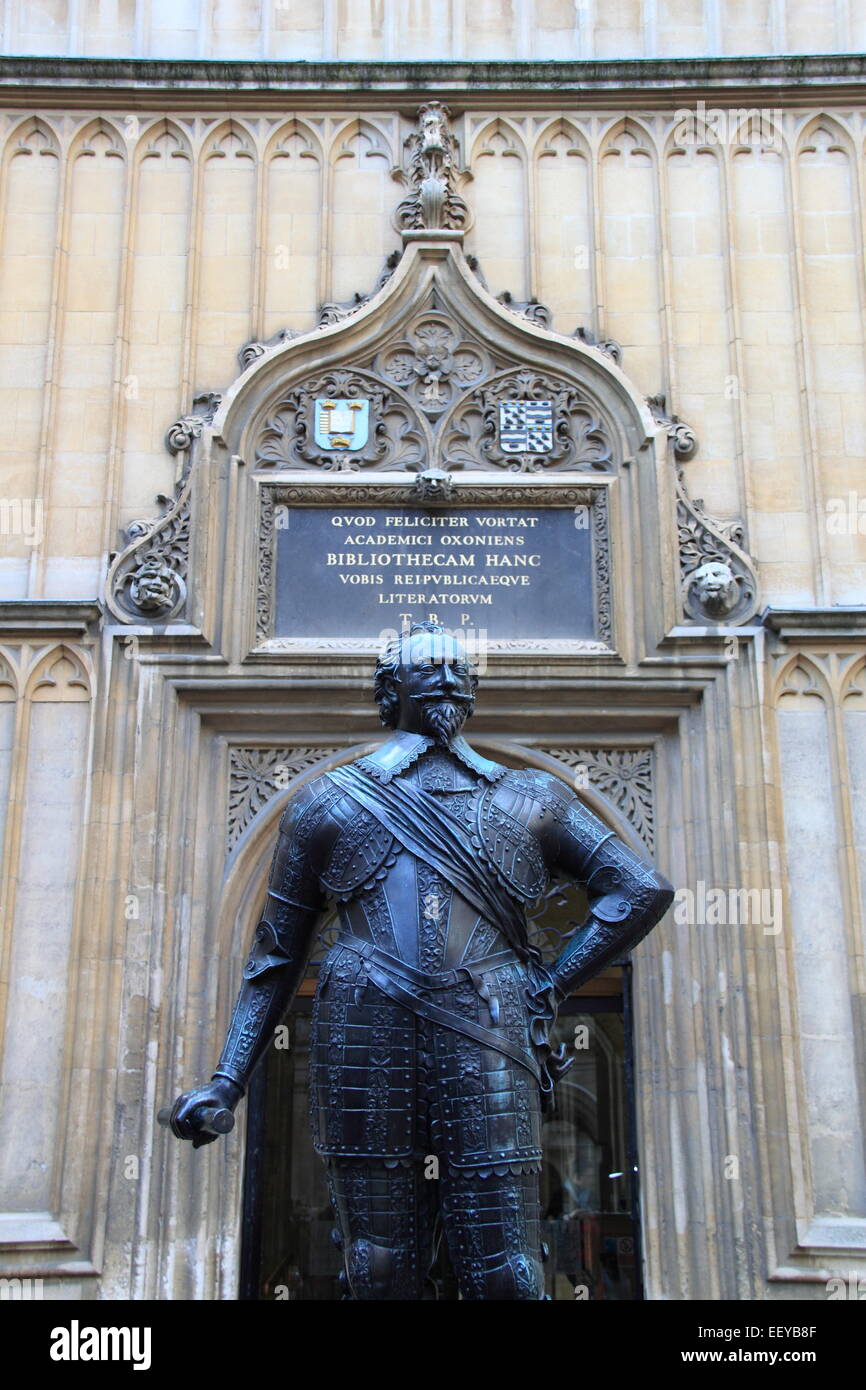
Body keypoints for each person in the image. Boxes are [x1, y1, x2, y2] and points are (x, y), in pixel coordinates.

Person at [168, 621, 674, 1299]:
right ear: (388, 691)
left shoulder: (531, 798)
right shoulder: (329, 802)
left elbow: (641, 889)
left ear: (473, 691)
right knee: (377, 1267)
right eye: (426, 668)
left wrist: (547, 985)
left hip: (487, 1029)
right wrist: (228, 1079)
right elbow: (275, 957)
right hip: (365, 1030)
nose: (445, 678)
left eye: (457, 668)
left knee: (508, 1275)